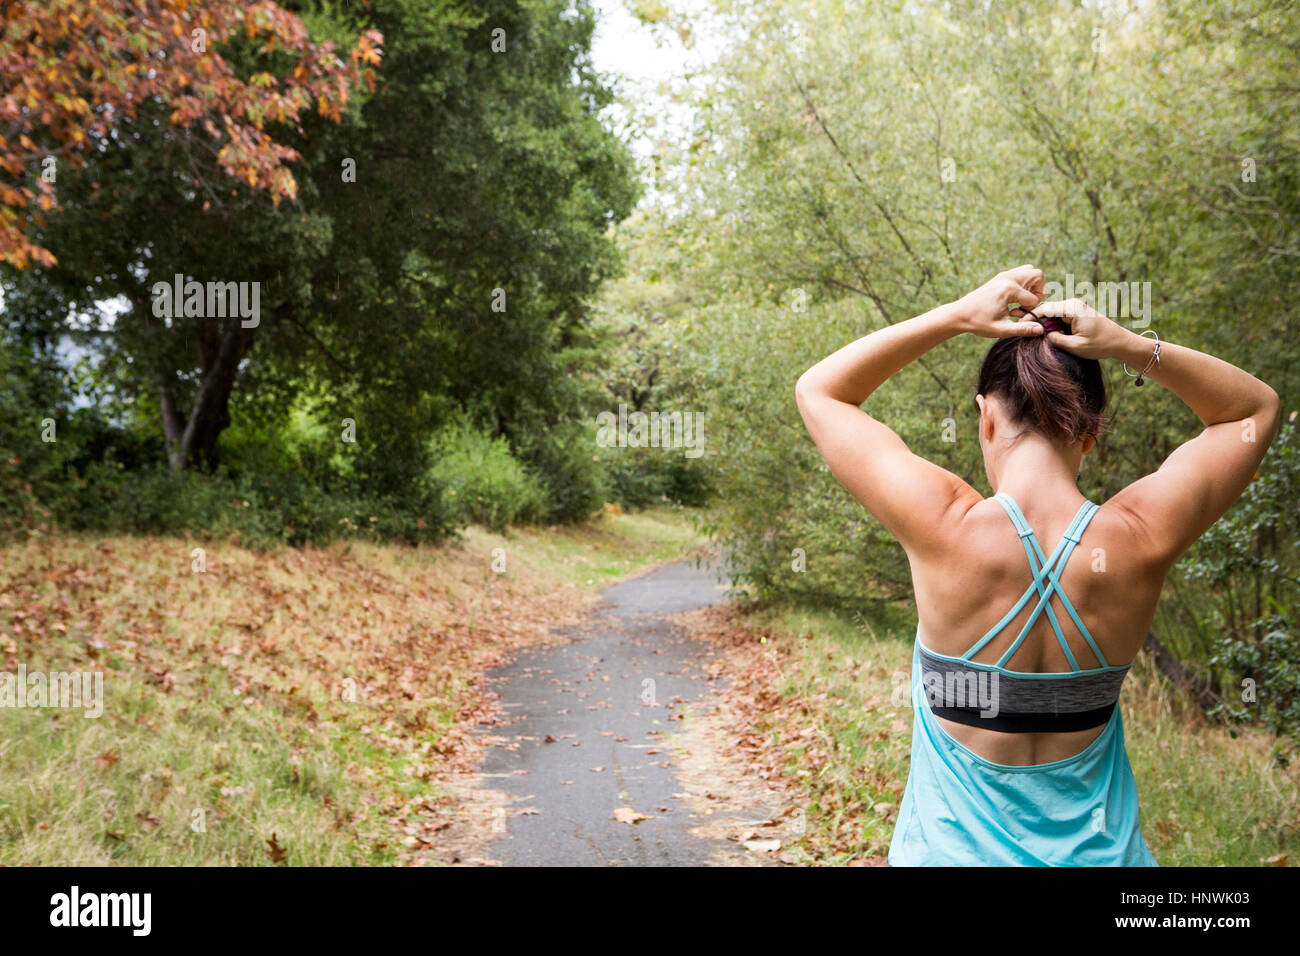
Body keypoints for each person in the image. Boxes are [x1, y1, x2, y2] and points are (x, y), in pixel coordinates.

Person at [794, 265, 1282, 866]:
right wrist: (1129, 346)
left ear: (986, 417)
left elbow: (821, 391)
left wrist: (956, 316)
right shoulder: (1140, 538)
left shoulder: (944, 527)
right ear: (1090, 431)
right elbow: (1252, 412)